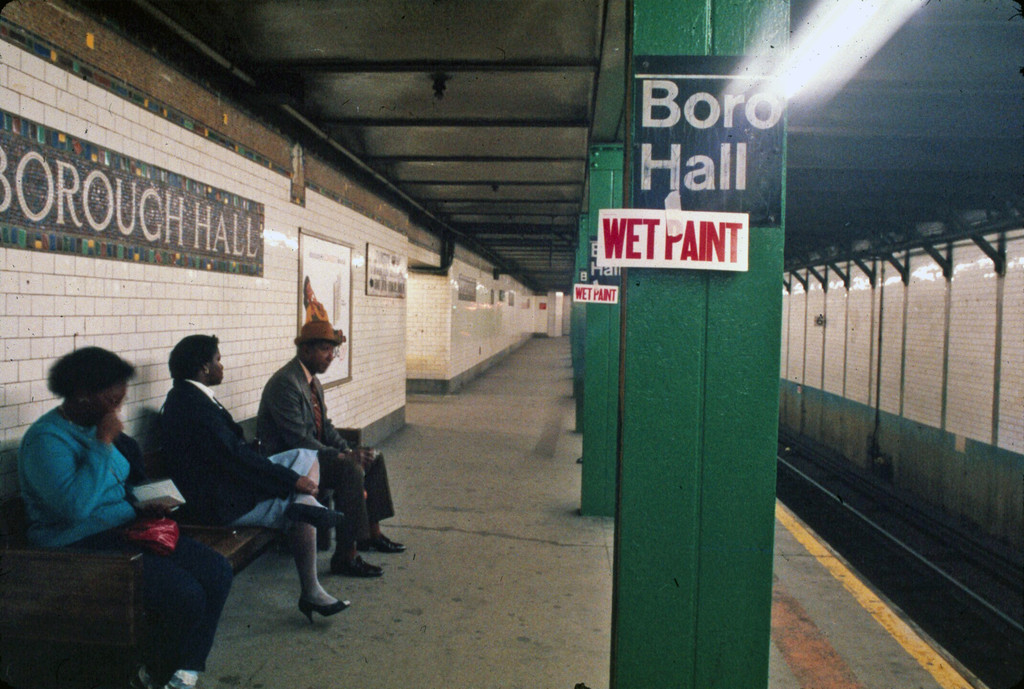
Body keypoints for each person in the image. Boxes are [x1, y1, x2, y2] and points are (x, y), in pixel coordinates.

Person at [18, 347, 232, 689]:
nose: (119, 406)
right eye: (112, 398)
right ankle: (155, 673)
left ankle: (183, 669)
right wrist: (103, 443)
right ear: (83, 395)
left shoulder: (93, 426)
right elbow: (75, 507)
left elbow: (115, 485)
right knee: (184, 593)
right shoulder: (46, 440)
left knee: (217, 570)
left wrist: (142, 504)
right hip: (74, 546)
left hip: (123, 530)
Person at [159, 335, 348, 622]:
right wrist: (288, 480)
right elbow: (234, 459)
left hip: (228, 481)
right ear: (204, 367)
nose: (222, 366)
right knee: (296, 509)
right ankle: (311, 590)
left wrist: (288, 480)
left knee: (307, 456)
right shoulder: (193, 406)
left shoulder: (190, 397)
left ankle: (307, 504)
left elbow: (233, 455)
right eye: (218, 360)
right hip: (220, 502)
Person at [257, 319, 404, 578]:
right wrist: (345, 455)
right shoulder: (285, 383)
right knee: (350, 469)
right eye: (325, 350)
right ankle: (346, 556)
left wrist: (350, 448)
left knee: (372, 457)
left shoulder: (312, 382)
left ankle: (372, 534)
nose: (331, 357)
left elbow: (325, 427)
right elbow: (298, 439)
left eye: (332, 351)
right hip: (290, 464)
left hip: (310, 456)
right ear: (305, 350)